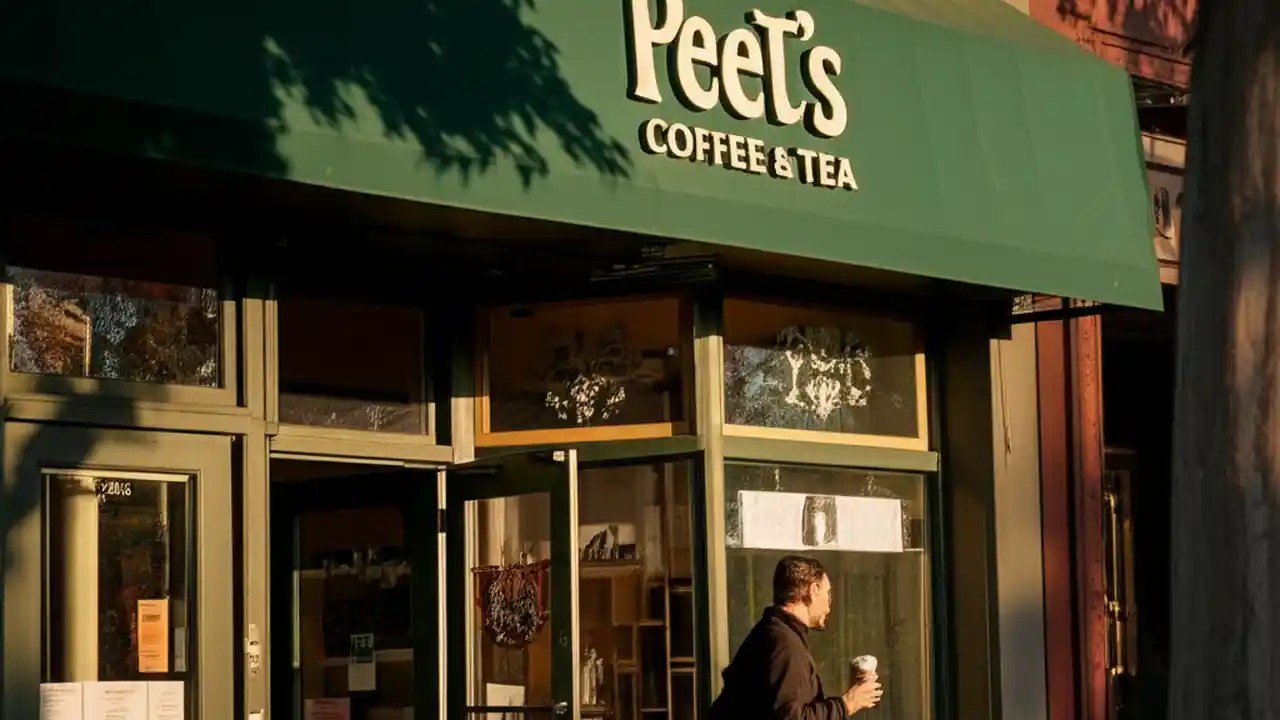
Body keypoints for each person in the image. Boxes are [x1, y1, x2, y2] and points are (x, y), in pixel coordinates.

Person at [709, 555, 883, 719]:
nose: (829, 606)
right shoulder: (783, 642)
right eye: (828, 593)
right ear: (813, 590)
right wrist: (847, 704)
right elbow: (790, 716)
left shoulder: (776, 634)